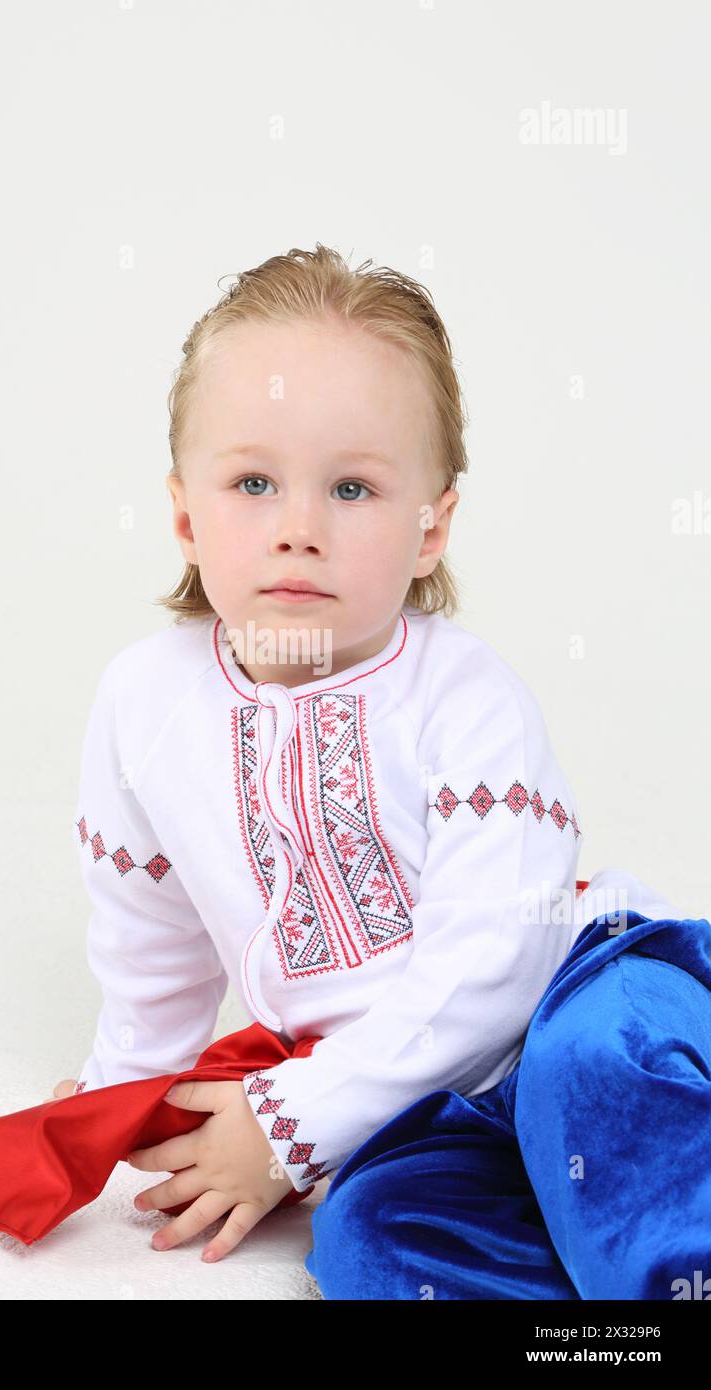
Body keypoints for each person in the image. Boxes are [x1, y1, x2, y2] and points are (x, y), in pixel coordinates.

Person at [48, 244, 711, 1291]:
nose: (298, 530)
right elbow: (151, 937)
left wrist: (286, 1123)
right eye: (253, 482)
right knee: (365, 1243)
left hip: (570, 993)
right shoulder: (144, 703)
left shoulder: (465, 698)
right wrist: (122, 1093)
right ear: (183, 512)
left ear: (428, 527)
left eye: (352, 487)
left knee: (591, 1079)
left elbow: (492, 963)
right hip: (404, 1109)